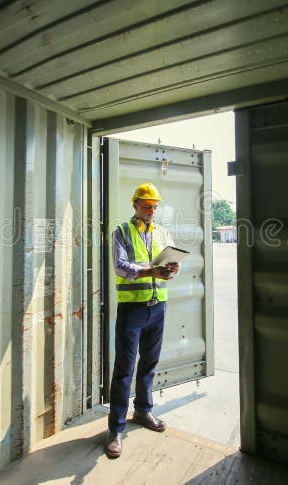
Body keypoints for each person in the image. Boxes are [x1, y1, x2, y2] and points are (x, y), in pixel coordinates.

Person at [105, 182, 180, 458]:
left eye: (155, 207)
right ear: (135, 204)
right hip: (132, 310)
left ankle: (143, 411)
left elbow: (172, 265)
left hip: (158, 307)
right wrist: (152, 272)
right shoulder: (122, 232)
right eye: (147, 206)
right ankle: (116, 429)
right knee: (125, 368)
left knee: (149, 363)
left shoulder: (162, 232)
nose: (151, 211)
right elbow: (121, 267)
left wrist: (172, 269)